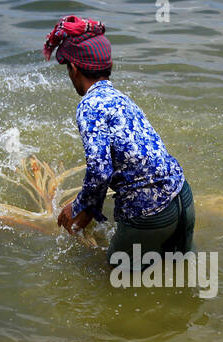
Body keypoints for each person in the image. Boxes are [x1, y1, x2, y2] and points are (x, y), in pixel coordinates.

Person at [44, 15, 194, 262]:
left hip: (150, 213)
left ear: (73, 68)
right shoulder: (121, 99)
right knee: (180, 271)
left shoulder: (89, 106)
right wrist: (86, 204)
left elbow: (101, 172)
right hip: (182, 198)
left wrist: (79, 208)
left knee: (116, 284)